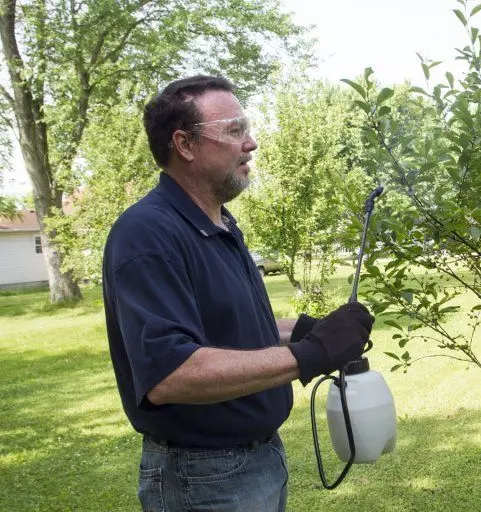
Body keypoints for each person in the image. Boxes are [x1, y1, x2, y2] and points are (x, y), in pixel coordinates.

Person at [101, 75, 374, 512]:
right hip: (203, 477)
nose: (251, 143)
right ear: (184, 145)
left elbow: (230, 327)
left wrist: (307, 330)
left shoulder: (219, 226)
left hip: (258, 458)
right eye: (234, 130)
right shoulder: (147, 233)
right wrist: (311, 354)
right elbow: (171, 374)